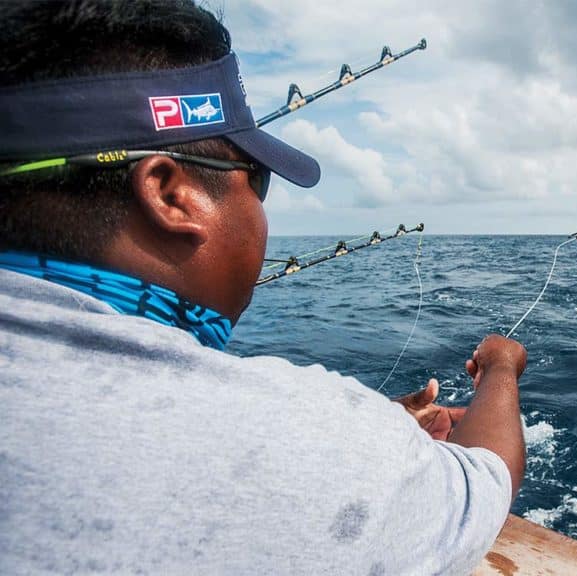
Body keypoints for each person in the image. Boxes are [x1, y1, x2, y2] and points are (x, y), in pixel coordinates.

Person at [0, 1, 527, 574]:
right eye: (257, 180)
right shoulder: (312, 445)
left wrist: (379, 428)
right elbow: (485, 476)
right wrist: (499, 365)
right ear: (171, 194)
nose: (261, 209)